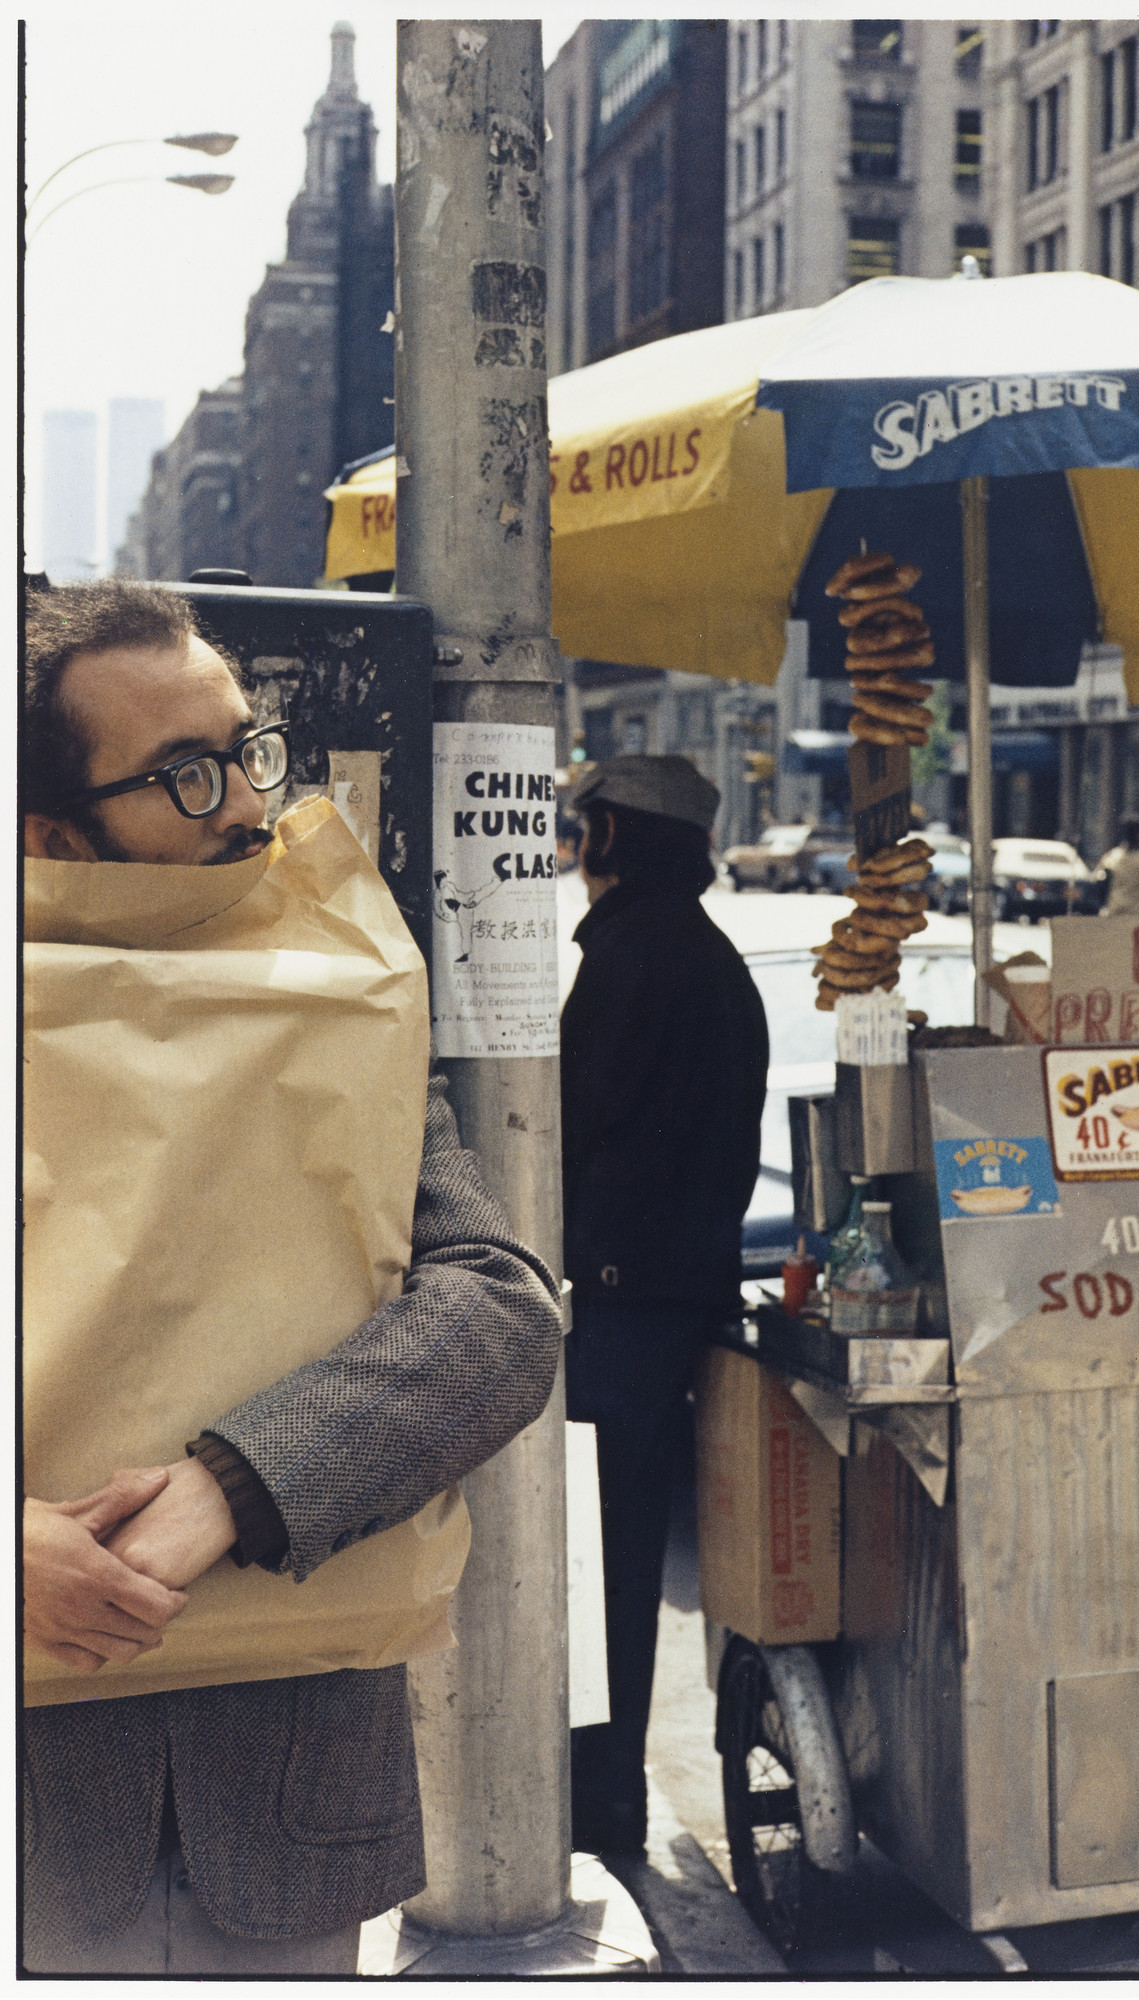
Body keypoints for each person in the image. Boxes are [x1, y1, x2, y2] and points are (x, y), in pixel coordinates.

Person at [21, 580, 564, 1973]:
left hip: (286, 1819)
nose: (245, 808)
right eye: (183, 776)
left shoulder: (328, 989)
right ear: (45, 831)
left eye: (246, 753)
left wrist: (235, 1485)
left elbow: (496, 1309)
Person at [560, 755, 769, 1855]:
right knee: (622, 1552)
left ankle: (599, 1801)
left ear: (608, 835)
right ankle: (605, 1790)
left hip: (618, 1307)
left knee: (601, 1561)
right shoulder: (714, 960)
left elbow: (568, 1123)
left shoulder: (629, 954)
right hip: (673, 1294)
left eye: (579, 823)